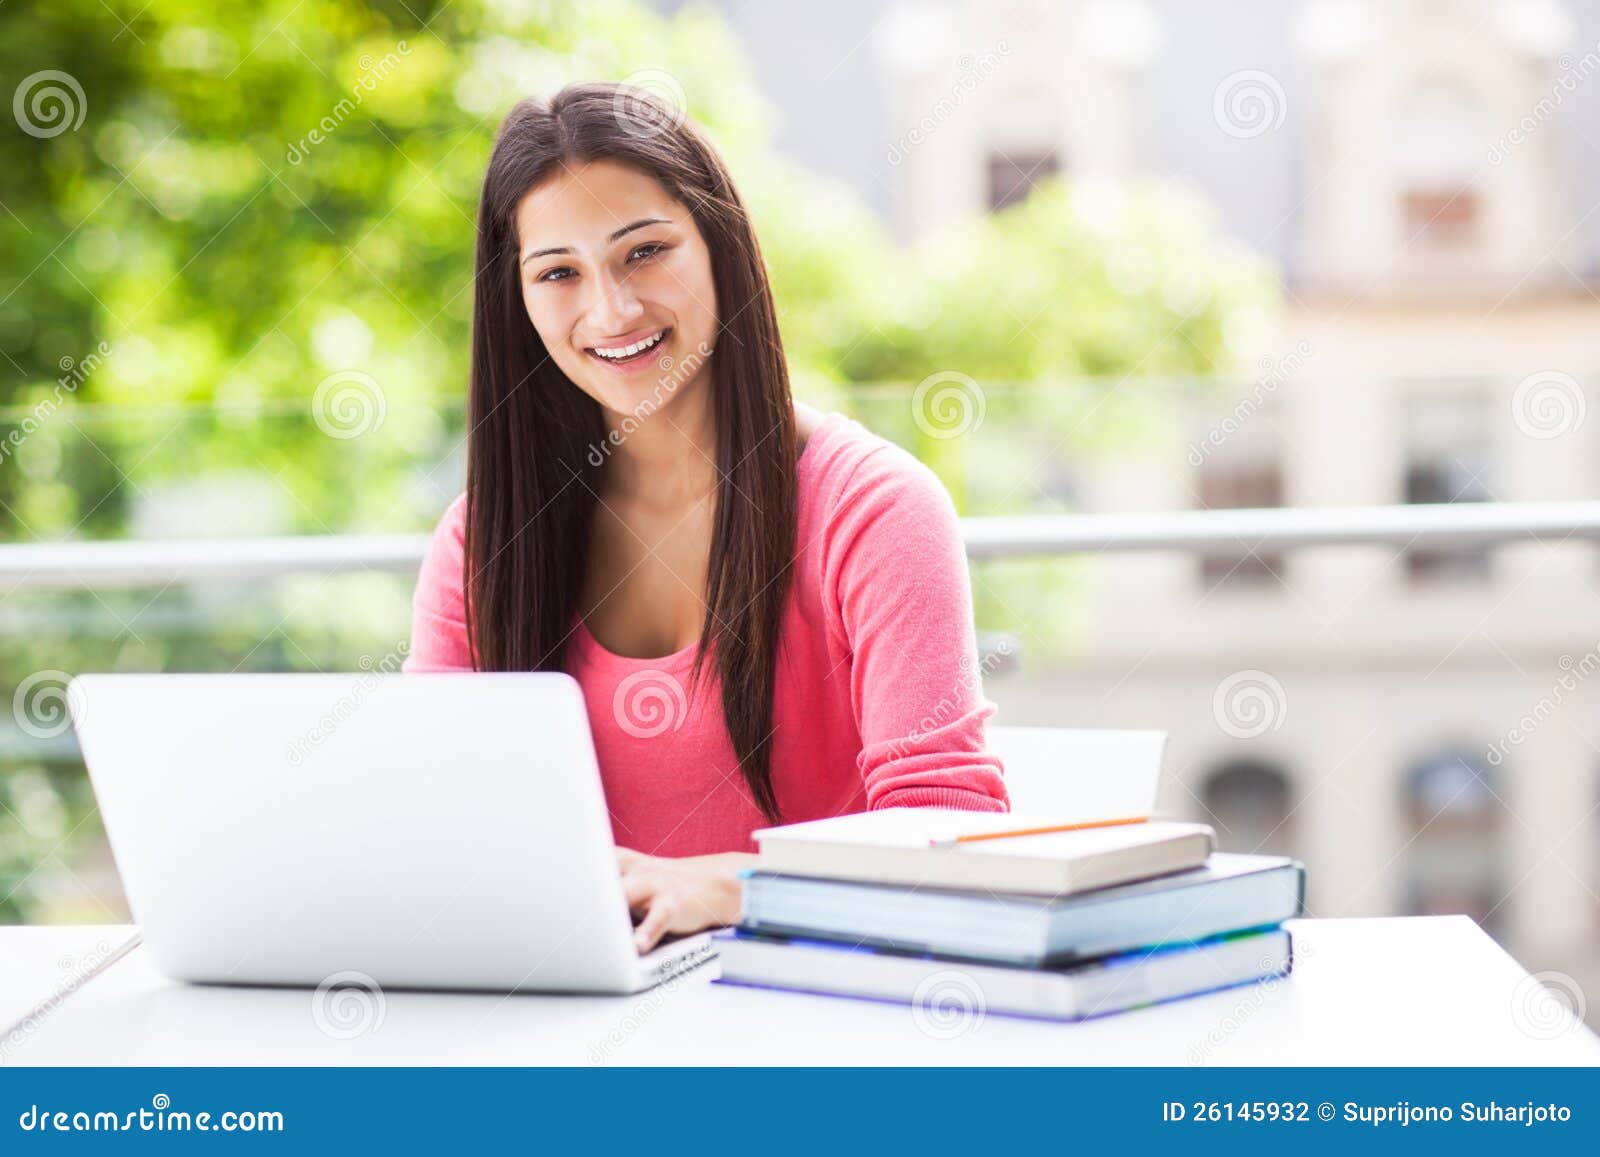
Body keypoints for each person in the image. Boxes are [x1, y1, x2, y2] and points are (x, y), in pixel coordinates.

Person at [403, 82, 1007, 951]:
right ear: (518, 301)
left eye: (644, 252)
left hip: (818, 1018)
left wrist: (736, 886)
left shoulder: (874, 510)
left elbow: (953, 845)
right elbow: (430, 829)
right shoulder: (480, 542)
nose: (610, 310)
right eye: (559, 273)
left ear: (719, 245)